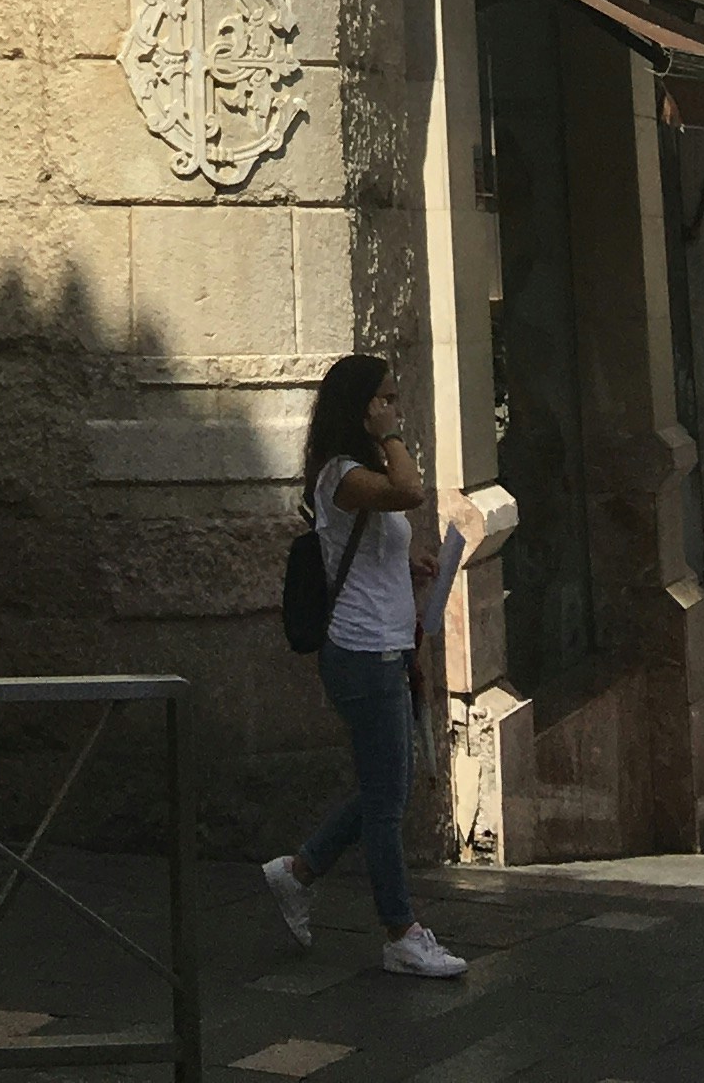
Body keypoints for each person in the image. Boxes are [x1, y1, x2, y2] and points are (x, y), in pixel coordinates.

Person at [259, 354, 467, 983]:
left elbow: (366, 550)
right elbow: (411, 490)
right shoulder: (342, 473)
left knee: (386, 791)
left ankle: (297, 872)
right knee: (385, 803)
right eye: (386, 399)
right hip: (360, 652)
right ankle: (401, 932)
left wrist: (412, 567)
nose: (395, 409)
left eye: (396, 400)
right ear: (359, 407)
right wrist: (391, 437)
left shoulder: (361, 472)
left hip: (387, 648)